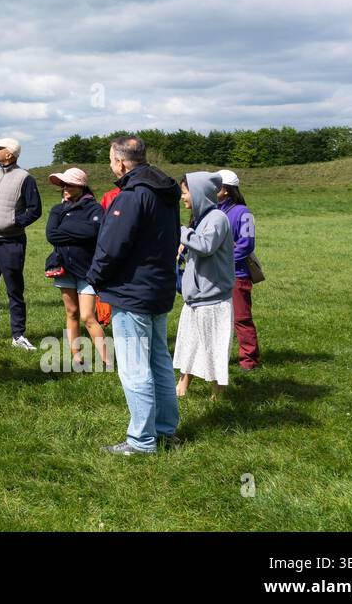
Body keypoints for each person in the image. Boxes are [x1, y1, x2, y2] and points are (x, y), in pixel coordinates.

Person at [85, 135, 182, 455]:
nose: (112, 166)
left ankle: (141, 441)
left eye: (111, 160)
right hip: (159, 288)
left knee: (135, 367)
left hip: (132, 292)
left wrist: (94, 280)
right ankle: (166, 431)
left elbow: (111, 246)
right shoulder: (165, 193)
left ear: (121, 162)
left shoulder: (130, 196)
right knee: (159, 361)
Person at [0, 136, 43, 349]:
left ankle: (18, 335)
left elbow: (35, 210)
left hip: (10, 243)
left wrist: (13, 222)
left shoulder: (25, 178)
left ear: (10, 154)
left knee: (14, 288)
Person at [173, 172, 235, 398]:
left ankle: (218, 393)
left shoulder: (217, 218)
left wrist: (180, 231)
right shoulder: (201, 219)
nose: (183, 198)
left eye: (185, 192)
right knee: (189, 343)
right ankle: (182, 385)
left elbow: (206, 245)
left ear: (198, 193)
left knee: (213, 347)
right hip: (196, 298)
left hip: (213, 300)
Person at [44, 167, 109, 368]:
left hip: (88, 270)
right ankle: (76, 356)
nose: (64, 188)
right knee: (71, 312)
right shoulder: (57, 210)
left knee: (87, 316)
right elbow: (51, 235)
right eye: (63, 184)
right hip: (64, 268)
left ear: (81, 186)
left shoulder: (95, 209)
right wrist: (80, 232)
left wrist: (66, 230)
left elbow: (95, 232)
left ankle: (107, 360)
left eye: (69, 184)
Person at [217, 169, 261, 371]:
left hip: (237, 275)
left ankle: (249, 361)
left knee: (241, 319)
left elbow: (246, 244)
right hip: (215, 275)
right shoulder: (214, 210)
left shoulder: (243, 212)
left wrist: (223, 260)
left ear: (225, 190)